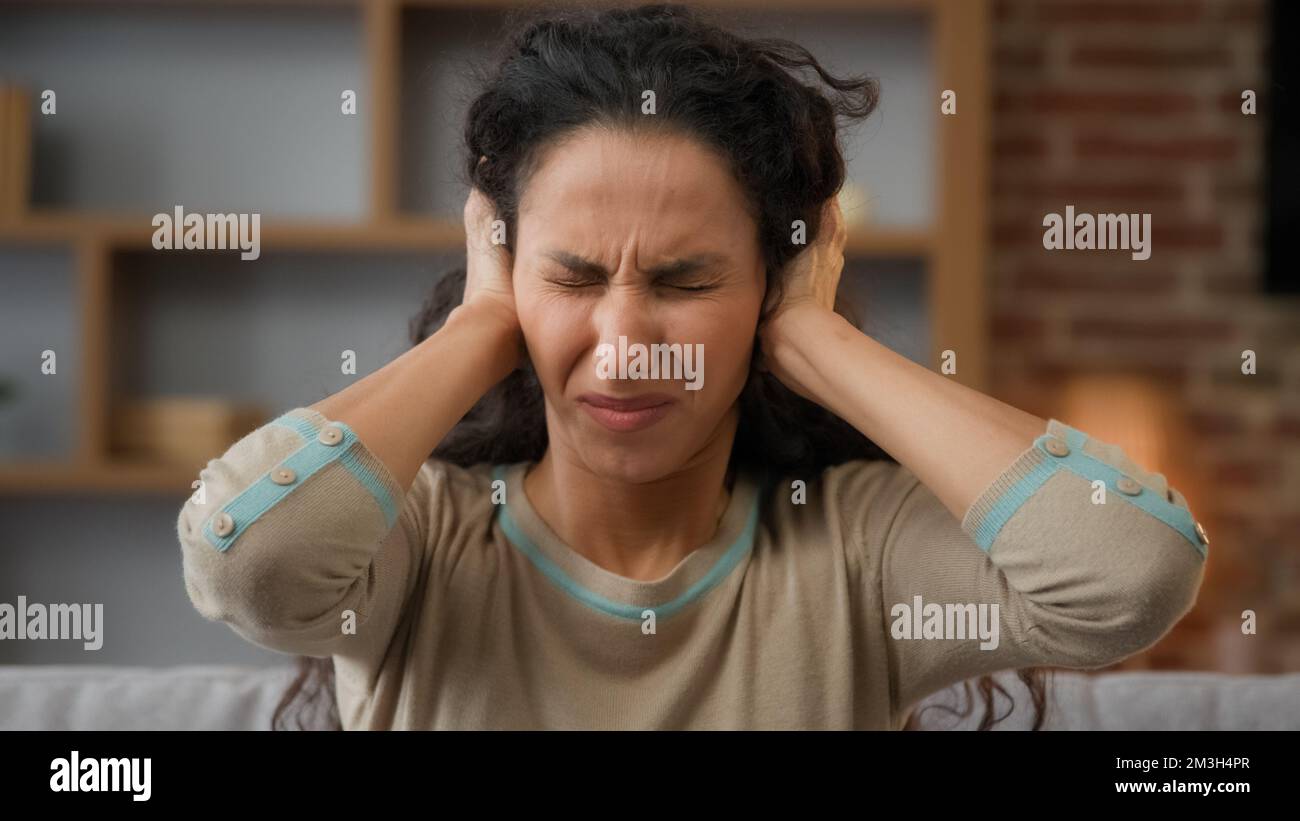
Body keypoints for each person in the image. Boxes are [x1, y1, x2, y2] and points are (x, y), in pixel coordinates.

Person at [177, 3, 1207, 730]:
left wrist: (813, 339)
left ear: (774, 278)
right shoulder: (422, 544)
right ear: (501, 266)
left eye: (685, 279)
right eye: (572, 276)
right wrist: (483, 324)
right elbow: (247, 561)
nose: (625, 343)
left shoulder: (857, 553)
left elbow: (1132, 570)